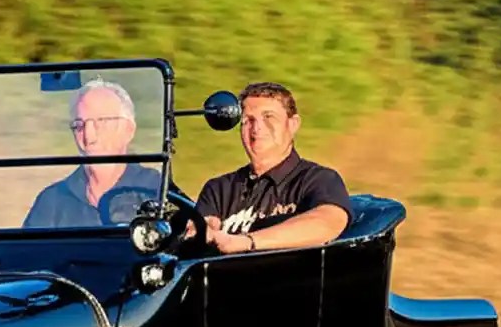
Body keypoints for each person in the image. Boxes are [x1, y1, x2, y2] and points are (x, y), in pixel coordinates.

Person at [195, 82, 351, 253]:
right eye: (248, 120)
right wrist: (203, 230)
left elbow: (328, 222)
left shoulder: (318, 179)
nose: (257, 128)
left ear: (293, 124)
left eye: (268, 117)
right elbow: (202, 232)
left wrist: (248, 242)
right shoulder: (218, 189)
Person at [22, 78, 162, 228]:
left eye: (100, 122)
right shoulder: (52, 201)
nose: (89, 137)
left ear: (128, 130)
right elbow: (25, 250)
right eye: (79, 125)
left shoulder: (157, 190)